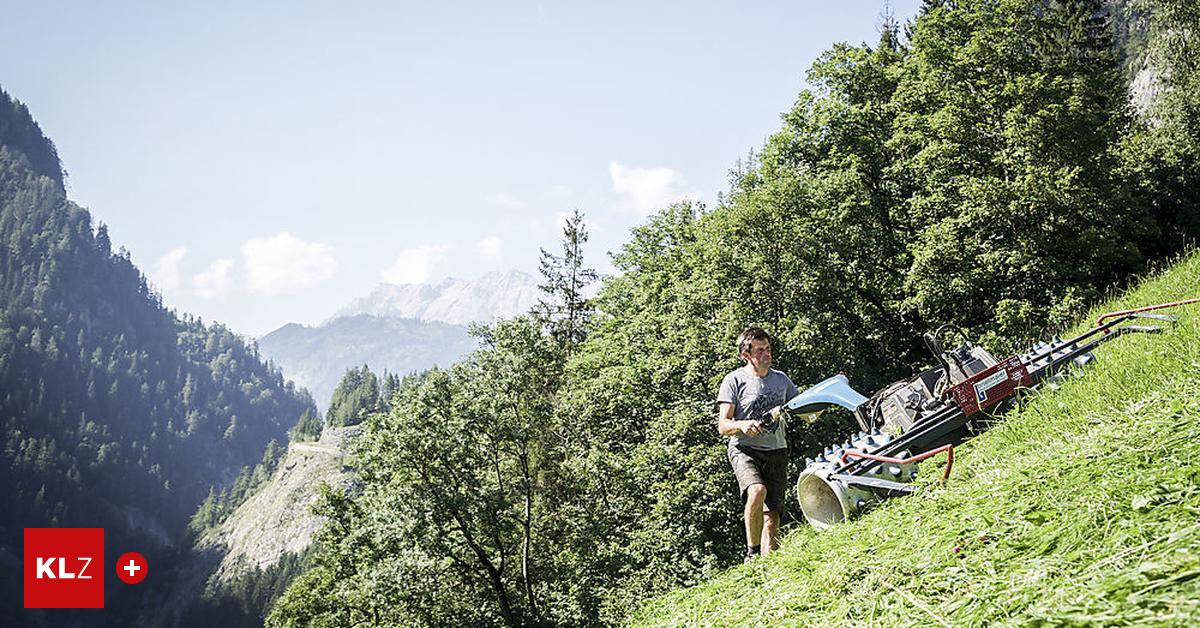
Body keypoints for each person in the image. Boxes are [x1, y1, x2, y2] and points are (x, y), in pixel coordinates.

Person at [716, 327, 802, 562]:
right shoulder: (734, 380)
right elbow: (723, 426)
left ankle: (767, 568)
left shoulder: (781, 379)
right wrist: (743, 425)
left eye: (768, 349)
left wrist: (819, 404)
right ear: (746, 355)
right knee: (756, 491)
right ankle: (752, 555)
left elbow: (802, 408)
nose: (767, 354)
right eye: (760, 350)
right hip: (745, 449)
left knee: (772, 517)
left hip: (776, 449)